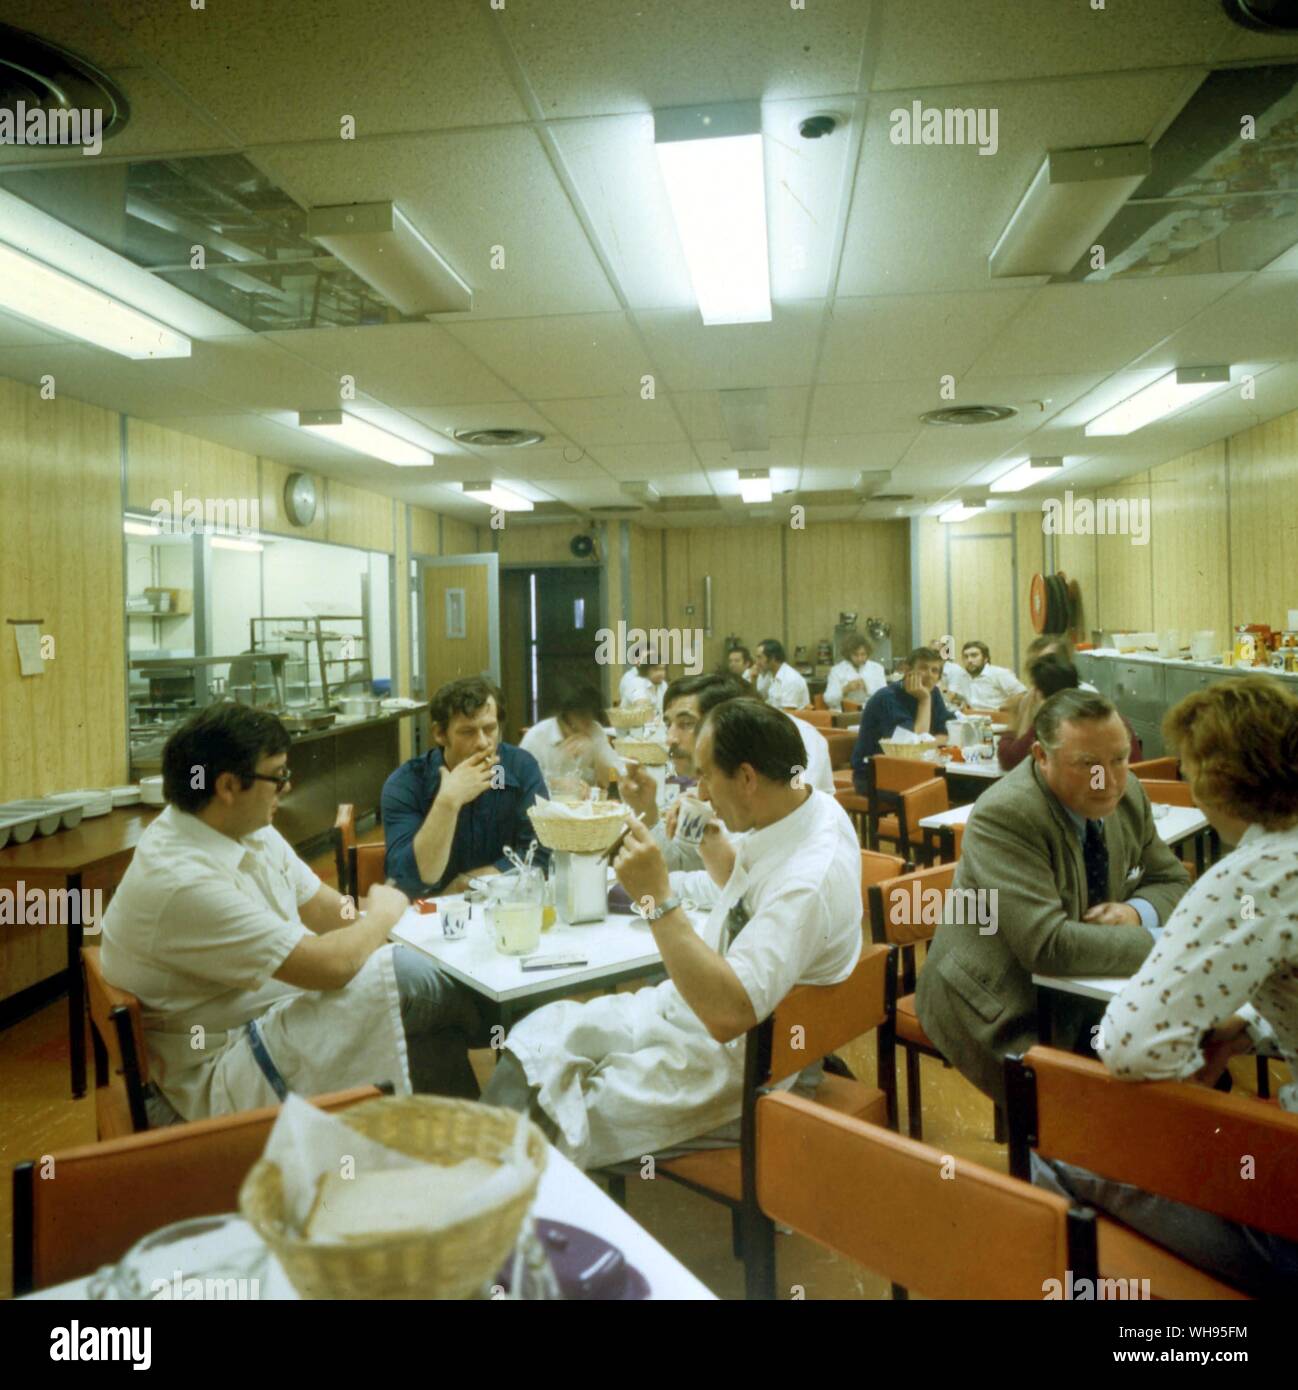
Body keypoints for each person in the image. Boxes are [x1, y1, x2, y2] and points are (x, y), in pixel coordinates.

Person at [481, 699, 863, 1170]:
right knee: (541, 1035)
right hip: (696, 1013)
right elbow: (750, 896)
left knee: (558, 1109)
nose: (699, 789)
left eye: (705, 776)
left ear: (746, 779)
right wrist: (711, 840)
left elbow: (728, 1012)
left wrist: (657, 898)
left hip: (731, 1060)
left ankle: (488, 1210)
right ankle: (482, 1188)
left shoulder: (807, 881)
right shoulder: (811, 806)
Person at [1032, 677, 1298, 1297]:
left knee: (1059, 1145)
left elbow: (1129, 1045)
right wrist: (1249, 1025)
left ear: (1207, 779)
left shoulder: (1253, 875)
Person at [100, 704, 489, 1122]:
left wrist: (393, 917)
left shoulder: (242, 829)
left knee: (429, 1020)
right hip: (214, 1068)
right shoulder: (181, 879)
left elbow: (328, 909)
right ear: (229, 786)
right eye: (280, 775)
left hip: (260, 1017)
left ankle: (463, 1148)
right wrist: (381, 917)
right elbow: (331, 966)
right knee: (410, 979)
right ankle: (507, 1025)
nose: (288, 787)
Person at [915, 689, 1191, 1105]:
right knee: (1084, 1107)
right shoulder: (1006, 814)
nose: (1110, 780)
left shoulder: (1128, 791)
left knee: (1187, 1070)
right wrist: (1168, 944)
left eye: (1119, 758)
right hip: (1000, 995)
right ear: (1041, 757)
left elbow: (1173, 881)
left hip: (1089, 982)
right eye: (1087, 764)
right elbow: (1048, 946)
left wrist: (1137, 911)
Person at [620, 675, 834, 870]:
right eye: (669, 724)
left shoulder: (784, 754)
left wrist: (658, 890)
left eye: (686, 724)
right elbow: (683, 860)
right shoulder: (709, 775)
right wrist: (647, 812)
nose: (670, 738)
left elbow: (741, 878)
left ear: (726, 722)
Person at [382, 676, 547, 899]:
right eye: (468, 732)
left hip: (505, 903)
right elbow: (406, 881)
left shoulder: (520, 767)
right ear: (440, 734)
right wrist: (447, 802)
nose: (482, 742)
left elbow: (540, 855)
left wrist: (467, 883)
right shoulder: (406, 783)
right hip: (431, 917)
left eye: (490, 729)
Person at [997, 655, 1142, 772]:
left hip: (1095, 790)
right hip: (1125, 788)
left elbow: (1008, 760)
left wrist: (1018, 717)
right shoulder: (1107, 713)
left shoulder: (1051, 721)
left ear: (1038, 692)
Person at [851, 646, 952, 783]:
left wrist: (926, 743)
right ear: (907, 670)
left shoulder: (933, 692)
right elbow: (914, 742)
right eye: (923, 668)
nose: (929, 675)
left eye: (934, 671)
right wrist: (924, 700)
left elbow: (945, 735)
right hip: (874, 775)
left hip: (915, 768)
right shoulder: (887, 698)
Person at [520, 681, 617, 796]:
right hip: (547, 810)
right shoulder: (536, 737)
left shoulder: (596, 731)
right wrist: (554, 784)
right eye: (580, 715)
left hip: (588, 810)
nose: (586, 723)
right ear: (562, 717)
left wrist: (596, 753)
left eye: (590, 716)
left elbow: (608, 780)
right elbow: (521, 785)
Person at [944, 640, 1026, 710]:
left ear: (985, 658)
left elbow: (1022, 695)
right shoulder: (961, 676)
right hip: (972, 720)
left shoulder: (999, 673)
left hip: (998, 719)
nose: (969, 660)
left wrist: (1002, 708)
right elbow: (959, 699)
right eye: (966, 656)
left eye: (974, 655)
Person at [824, 633, 886, 711]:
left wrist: (867, 687)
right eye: (855, 655)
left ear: (868, 652)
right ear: (848, 654)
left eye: (863, 654)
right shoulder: (836, 670)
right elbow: (828, 700)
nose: (860, 658)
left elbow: (885, 698)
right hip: (844, 713)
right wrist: (845, 689)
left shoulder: (877, 668)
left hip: (869, 712)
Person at [752, 638, 810, 710]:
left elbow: (788, 714)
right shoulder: (770, 674)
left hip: (787, 719)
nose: (756, 662)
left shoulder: (790, 679)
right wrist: (753, 679)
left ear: (772, 658)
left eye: (759, 657)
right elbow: (758, 699)